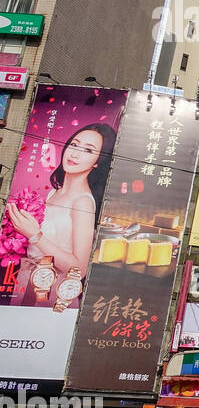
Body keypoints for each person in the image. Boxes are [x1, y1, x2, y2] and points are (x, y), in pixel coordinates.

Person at [5, 122, 118, 307]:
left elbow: (79, 270)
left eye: (88, 151)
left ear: (98, 161)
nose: (74, 154)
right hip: (27, 283)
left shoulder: (83, 202)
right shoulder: (54, 193)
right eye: (74, 144)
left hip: (54, 294)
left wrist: (34, 235)